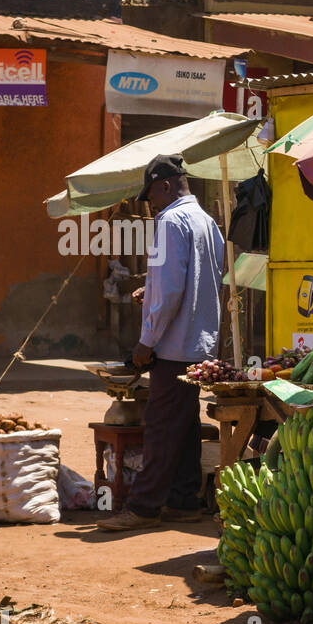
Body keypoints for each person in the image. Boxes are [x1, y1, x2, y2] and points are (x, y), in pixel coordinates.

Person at [99, 155, 225, 531]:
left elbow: (171, 290)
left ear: (166, 186)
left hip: (172, 346)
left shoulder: (171, 221)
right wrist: (149, 289)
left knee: (158, 425)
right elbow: (197, 281)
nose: (150, 203)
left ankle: (143, 507)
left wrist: (145, 342)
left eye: (151, 193)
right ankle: (184, 501)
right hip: (200, 344)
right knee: (184, 425)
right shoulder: (207, 222)